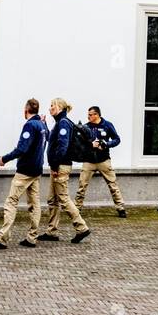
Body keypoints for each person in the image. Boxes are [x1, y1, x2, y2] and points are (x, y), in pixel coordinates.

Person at [0, 99, 47, 249]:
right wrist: (45, 123)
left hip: (25, 170)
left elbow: (22, 149)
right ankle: (32, 237)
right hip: (37, 169)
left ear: (26, 110)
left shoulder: (30, 125)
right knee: (34, 204)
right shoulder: (41, 125)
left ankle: (2, 238)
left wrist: (4, 159)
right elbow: (47, 138)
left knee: (11, 202)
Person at [39, 98, 91, 243]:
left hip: (60, 166)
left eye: (52, 106)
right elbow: (51, 139)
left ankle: (82, 228)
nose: (50, 108)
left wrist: (55, 166)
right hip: (57, 166)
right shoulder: (59, 122)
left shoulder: (63, 123)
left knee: (63, 198)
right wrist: (44, 124)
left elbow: (63, 146)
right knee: (52, 200)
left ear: (60, 108)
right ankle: (52, 232)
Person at [75, 106, 127, 216]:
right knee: (82, 186)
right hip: (88, 161)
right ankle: (77, 208)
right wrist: (90, 145)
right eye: (88, 115)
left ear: (97, 115)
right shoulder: (86, 127)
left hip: (104, 160)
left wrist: (106, 144)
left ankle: (121, 208)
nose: (88, 117)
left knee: (113, 185)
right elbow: (79, 143)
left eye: (90, 115)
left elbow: (117, 139)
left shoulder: (107, 125)